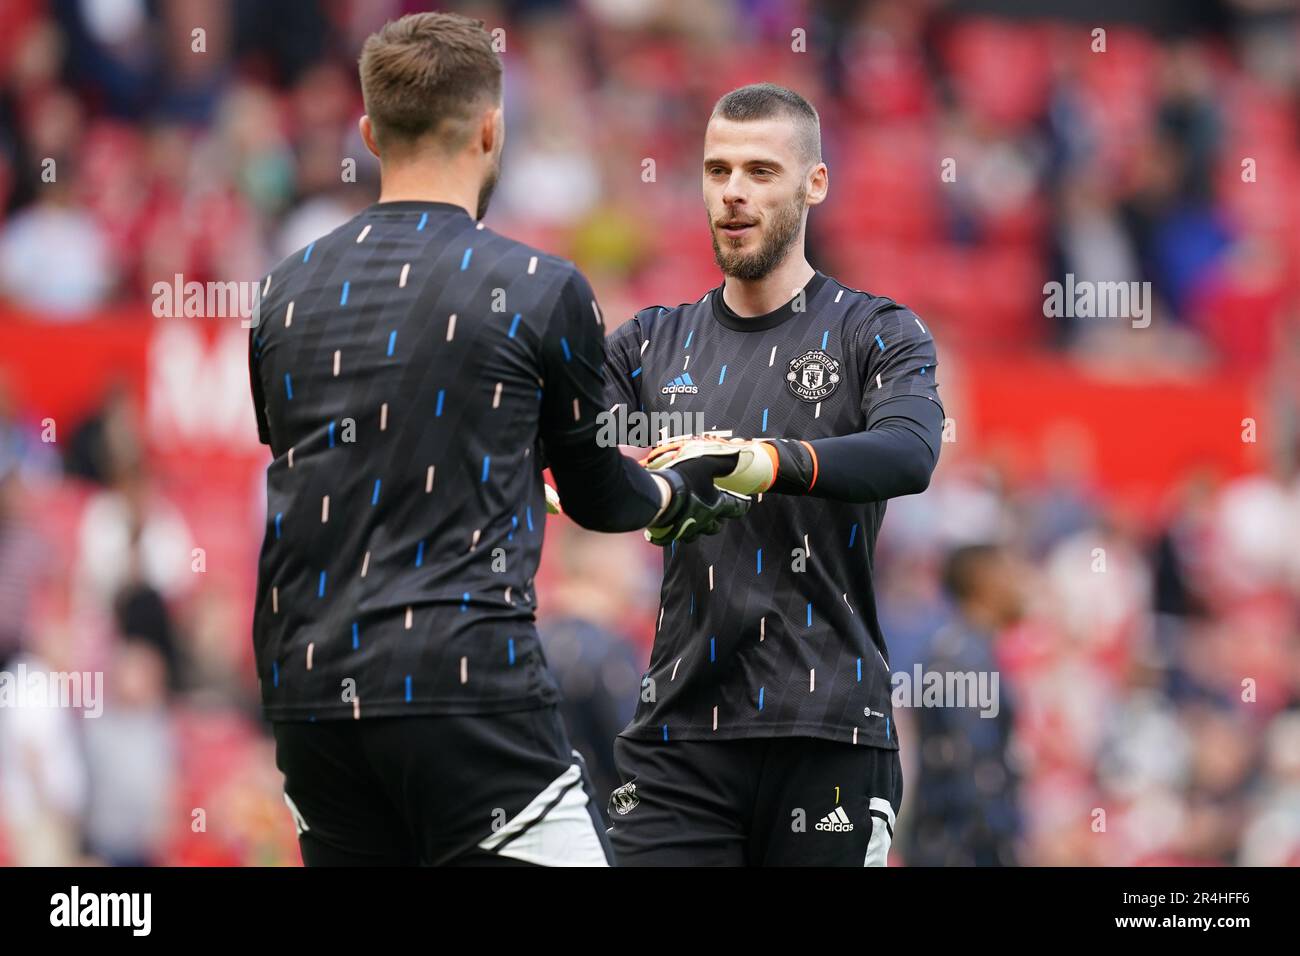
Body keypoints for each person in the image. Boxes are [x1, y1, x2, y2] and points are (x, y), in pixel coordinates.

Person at [247, 12, 747, 867]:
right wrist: (681, 490)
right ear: (491, 129)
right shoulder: (539, 287)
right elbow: (597, 494)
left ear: (370, 134)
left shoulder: (282, 292)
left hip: (309, 696)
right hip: (464, 686)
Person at [602, 83, 944, 865]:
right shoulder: (651, 343)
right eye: (717, 170)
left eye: (760, 170)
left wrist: (759, 462)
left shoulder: (875, 331)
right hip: (679, 733)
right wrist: (629, 490)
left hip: (829, 730)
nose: (733, 192)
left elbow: (909, 451)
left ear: (813, 184)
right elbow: (568, 450)